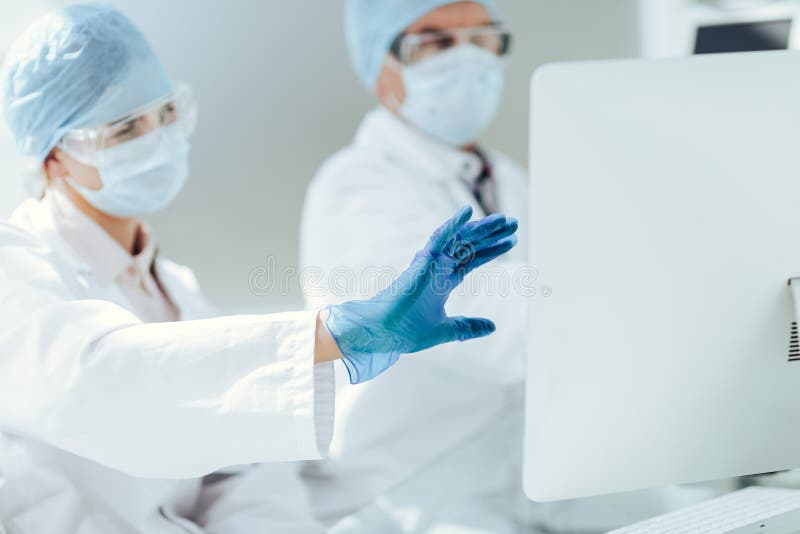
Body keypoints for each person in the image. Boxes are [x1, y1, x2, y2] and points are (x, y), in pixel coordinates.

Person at [0, 4, 519, 533]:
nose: (156, 137)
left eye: (166, 113)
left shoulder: (177, 290)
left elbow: (241, 474)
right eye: (125, 127)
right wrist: (329, 336)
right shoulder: (15, 266)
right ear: (51, 156)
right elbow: (106, 383)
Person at [300, 1, 729, 532]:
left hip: (518, 478)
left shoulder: (506, 176)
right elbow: (485, 322)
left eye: (482, 39)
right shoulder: (356, 188)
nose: (467, 59)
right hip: (412, 492)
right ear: (379, 67)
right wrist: (654, 317)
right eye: (433, 43)